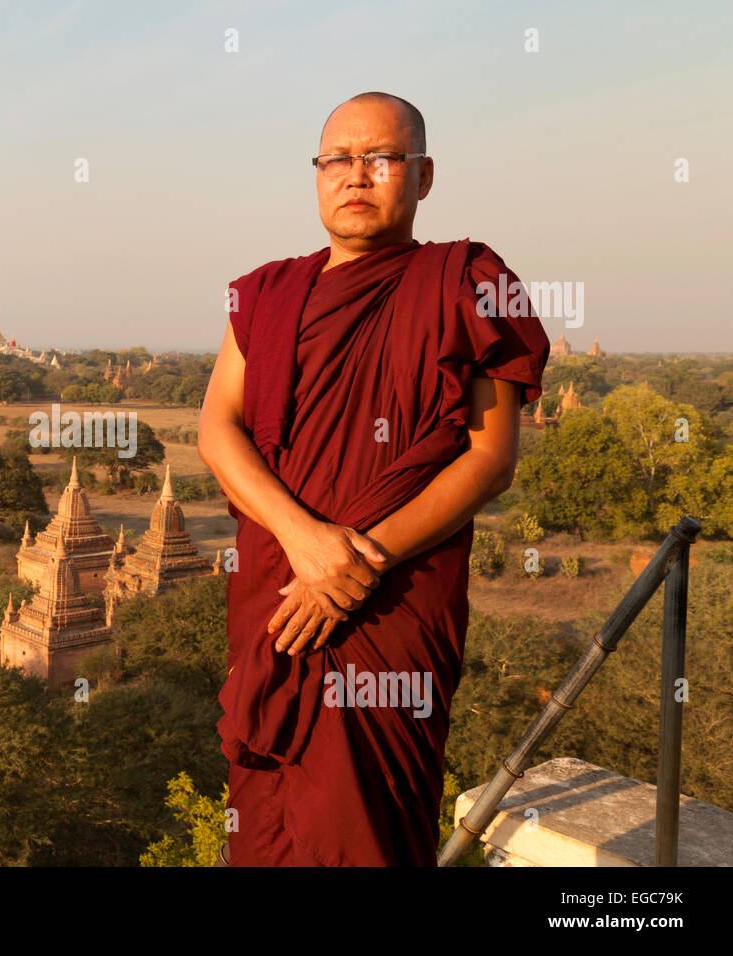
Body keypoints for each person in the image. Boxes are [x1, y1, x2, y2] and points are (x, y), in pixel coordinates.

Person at [197, 91, 550, 866]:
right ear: (317, 176)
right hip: (280, 586)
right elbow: (216, 429)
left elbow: (489, 461)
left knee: (369, 823)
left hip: (393, 601)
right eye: (338, 159)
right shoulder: (263, 291)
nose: (357, 175)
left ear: (423, 177)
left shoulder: (470, 281)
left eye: (382, 158)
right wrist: (307, 543)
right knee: (265, 821)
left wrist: (356, 567)